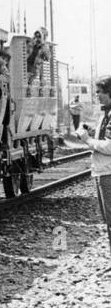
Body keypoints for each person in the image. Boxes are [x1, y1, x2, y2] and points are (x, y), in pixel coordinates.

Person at [67, 76, 111, 258]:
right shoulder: (105, 114)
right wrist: (88, 128)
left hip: (108, 173)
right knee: (108, 220)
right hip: (103, 171)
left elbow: (109, 147)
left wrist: (87, 139)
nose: (97, 96)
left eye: (100, 92)